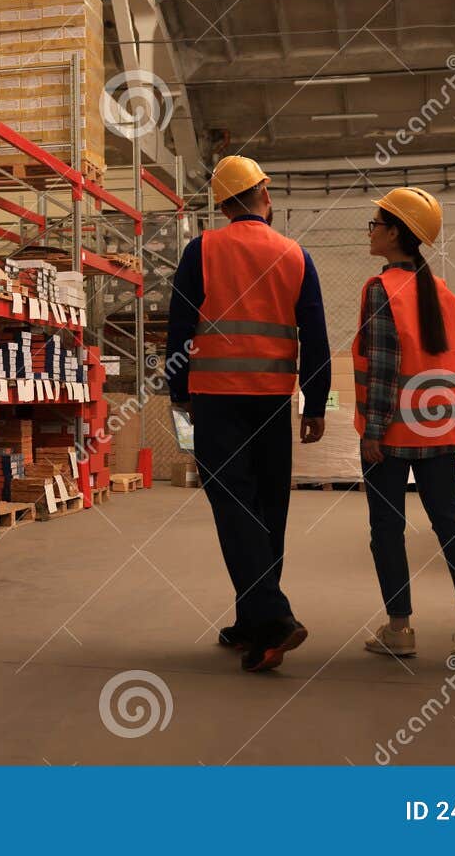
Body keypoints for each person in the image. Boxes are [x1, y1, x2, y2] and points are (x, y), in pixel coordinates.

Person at [167, 156, 330, 673]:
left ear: (221, 204)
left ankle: (273, 618)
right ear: (265, 195)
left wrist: (178, 388)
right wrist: (316, 400)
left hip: (216, 398)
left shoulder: (202, 250)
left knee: (235, 506)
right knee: (267, 508)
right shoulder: (295, 255)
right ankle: (253, 624)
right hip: (272, 400)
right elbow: (316, 336)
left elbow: (180, 326)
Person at [353, 187, 455, 663]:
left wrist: (373, 430)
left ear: (395, 233)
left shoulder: (381, 290)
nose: (371, 231)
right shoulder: (443, 293)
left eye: (375, 224)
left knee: (387, 529)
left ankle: (400, 629)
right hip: (438, 426)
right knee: (450, 521)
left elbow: (382, 365)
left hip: (391, 431)